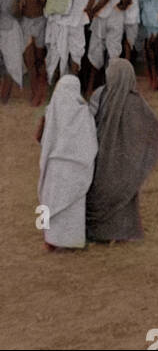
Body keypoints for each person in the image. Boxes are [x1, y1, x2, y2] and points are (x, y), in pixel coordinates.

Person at [85, 58, 158, 243]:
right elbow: (155, 132)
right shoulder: (136, 102)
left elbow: (88, 121)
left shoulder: (100, 94)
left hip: (100, 159)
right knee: (125, 193)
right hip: (125, 163)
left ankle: (100, 233)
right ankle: (121, 233)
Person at [36, 74, 97, 250]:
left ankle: (51, 241)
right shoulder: (84, 113)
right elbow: (91, 141)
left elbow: (40, 138)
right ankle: (72, 240)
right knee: (73, 205)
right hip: (76, 167)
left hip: (55, 166)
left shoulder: (51, 111)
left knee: (53, 201)